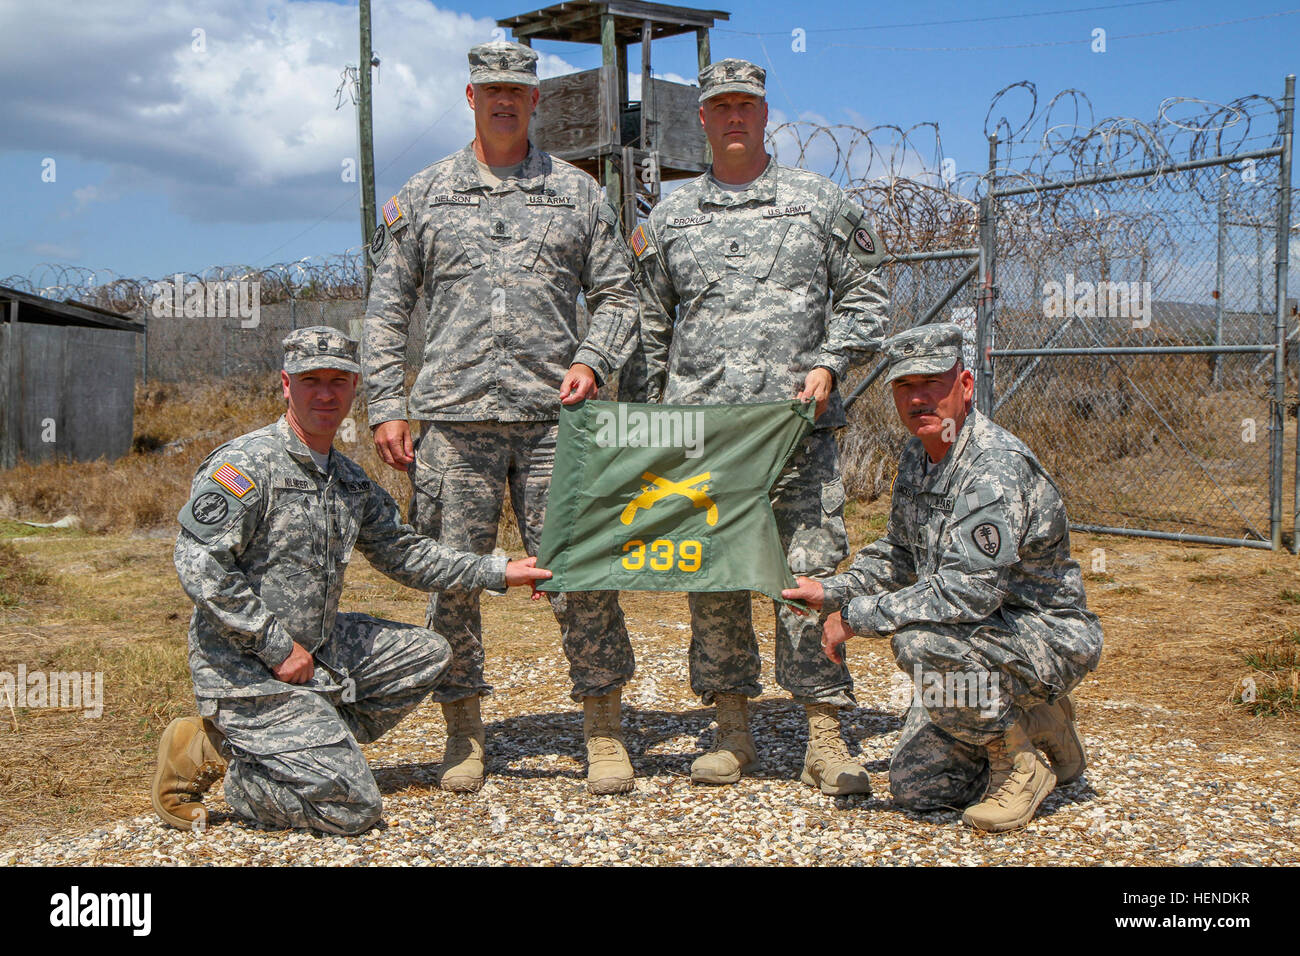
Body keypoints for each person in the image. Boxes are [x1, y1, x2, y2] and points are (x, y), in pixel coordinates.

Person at [363, 41, 642, 794]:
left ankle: (604, 727)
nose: (505, 101)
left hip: (557, 420)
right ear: (471, 96)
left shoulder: (578, 194)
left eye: (518, 89)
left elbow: (620, 295)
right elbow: (387, 308)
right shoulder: (424, 195)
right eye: (492, 90)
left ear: (536, 99)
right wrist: (387, 402)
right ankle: (463, 731)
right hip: (453, 424)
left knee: (580, 574)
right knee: (452, 582)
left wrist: (592, 360)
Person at [151, 327, 550, 835]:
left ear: (354, 387)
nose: (325, 393)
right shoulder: (244, 465)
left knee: (429, 653)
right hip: (245, 669)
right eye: (310, 379)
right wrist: (274, 646)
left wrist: (499, 570)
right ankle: (235, 765)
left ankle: (276, 743)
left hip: (312, 652)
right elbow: (199, 563)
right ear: (285, 384)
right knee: (354, 809)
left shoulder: (348, 478)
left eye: (338, 380)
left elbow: (405, 554)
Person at [628, 58, 890, 794]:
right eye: (720, 107)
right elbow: (649, 327)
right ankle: (732, 732)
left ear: (766, 114)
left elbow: (867, 299)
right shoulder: (670, 219)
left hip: (794, 435)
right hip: (702, 436)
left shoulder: (819, 203)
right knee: (712, 581)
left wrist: (832, 361)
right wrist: (647, 425)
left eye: (747, 105)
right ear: (701, 120)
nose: (734, 117)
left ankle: (827, 735)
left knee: (805, 579)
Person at [783, 323, 1104, 831]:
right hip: (979, 637)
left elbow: (968, 591)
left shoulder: (991, 466)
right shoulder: (921, 453)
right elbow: (899, 553)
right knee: (920, 789)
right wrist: (834, 591)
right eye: (905, 387)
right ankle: (1040, 719)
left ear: (966, 385)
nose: (918, 398)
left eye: (933, 382)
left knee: (919, 643)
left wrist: (858, 617)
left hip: (1043, 634)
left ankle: (1019, 764)